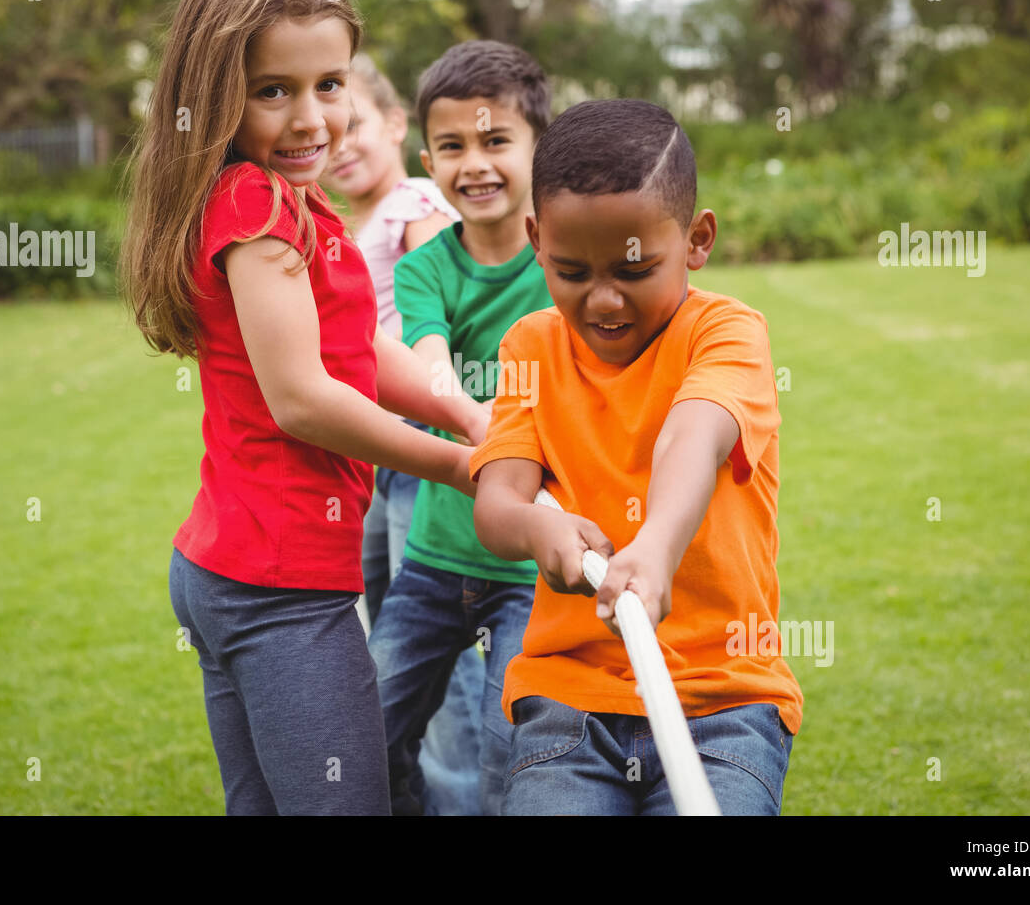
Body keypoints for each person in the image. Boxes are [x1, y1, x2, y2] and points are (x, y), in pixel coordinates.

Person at [119, 0, 489, 816]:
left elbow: (354, 348)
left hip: (232, 567)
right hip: (279, 589)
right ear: (216, 95)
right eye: (273, 90)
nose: (312, 117)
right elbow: (303, 399)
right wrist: (459, 468)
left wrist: (461, 412)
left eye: (330, 84)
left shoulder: (292, 197)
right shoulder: (260, 209)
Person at [470, 98, 804, 815]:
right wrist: (539, 530)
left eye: (635, 269)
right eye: (571, 271)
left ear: (697, 239)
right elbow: (498, 503)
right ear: (535, 239)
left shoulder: (726, 332)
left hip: (723, 703)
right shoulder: (529, 346)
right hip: (569, 702)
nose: (604, 300)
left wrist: (653, 551)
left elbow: (694, 434)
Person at [367, 40, 554, 815]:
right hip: (435, 561)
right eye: (452, 147)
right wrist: (483, 426)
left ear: (539, 149)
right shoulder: (426, 266)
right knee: (366, 733)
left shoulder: (564, 266)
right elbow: (429, 362)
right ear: (427, 161)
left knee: (506, 756)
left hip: (529, 574)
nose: (474, 163)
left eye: (496, 141)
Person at [320, 54, 486, 814]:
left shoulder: (412, 203)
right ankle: (409, 787)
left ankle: (459, 793)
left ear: (394, 125)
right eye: (333, 133)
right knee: (393, 634)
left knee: (434, 638)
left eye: (356, 125)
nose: (342, 143)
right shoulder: (353, 224)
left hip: (422, 446)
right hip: (384, 455)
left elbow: (436, 309)